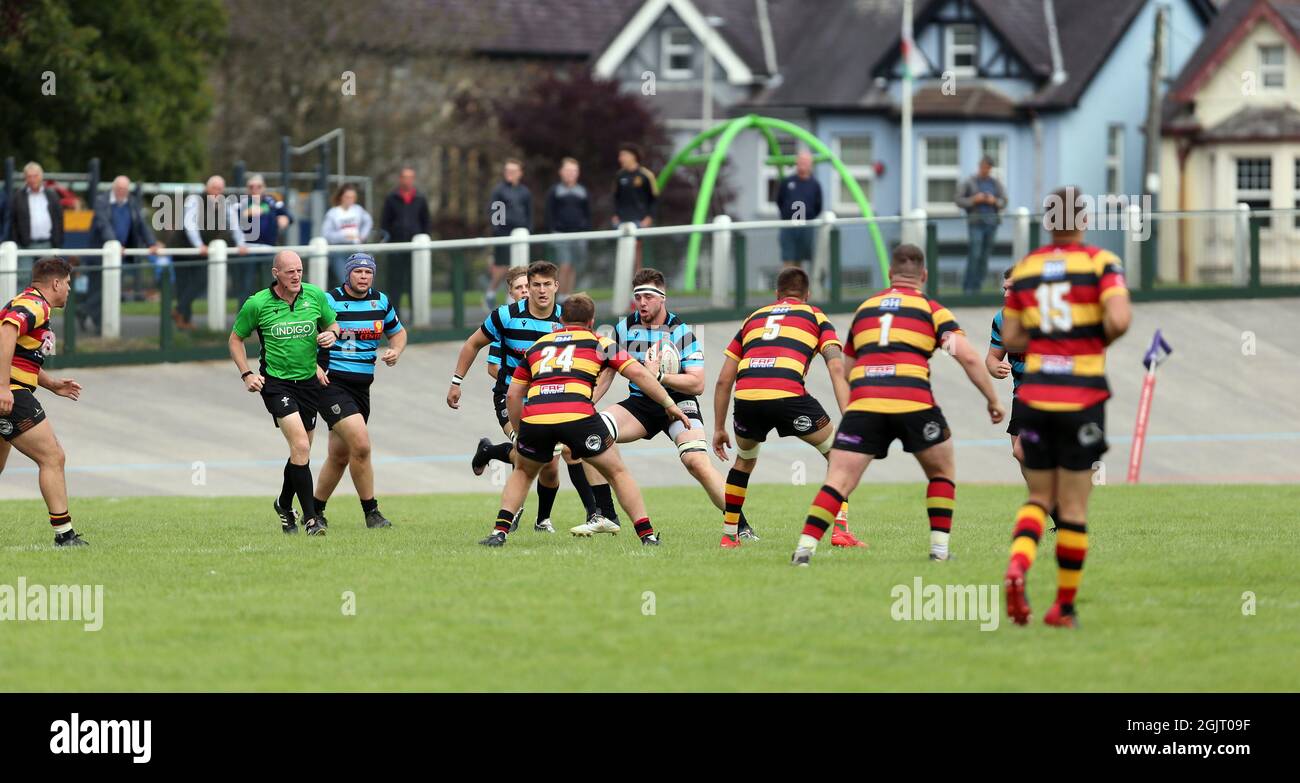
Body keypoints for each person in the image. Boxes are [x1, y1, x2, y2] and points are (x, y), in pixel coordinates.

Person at [790, 243, 1005, 567]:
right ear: (924, 275)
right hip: (913, 403)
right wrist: (992, 399)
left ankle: (804, 551)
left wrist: (855, 409)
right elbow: (969, 356)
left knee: (838, 480)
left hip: (865, 405)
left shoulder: (865, 311)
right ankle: (940, 551)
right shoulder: (932, 310)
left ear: (890, 274)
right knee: (942, 471)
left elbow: (847, 370)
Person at [1001, 186, 1131, 629]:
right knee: (1073, 509)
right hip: (1082, 397)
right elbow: (1119, 320)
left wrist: (1046, 341)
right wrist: (1090, 340)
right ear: (1084, 220)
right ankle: (1063, 607)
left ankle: (1018, 566)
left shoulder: (1027, 268)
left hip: (1034, 396)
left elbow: (1013, 338)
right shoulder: (1100, 264)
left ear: (1047, 222)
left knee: (1038, 496)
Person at [478, 293, 687, 548]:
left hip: (537, 417)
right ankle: (648, 535)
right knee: (617, 472)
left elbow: (513, 394)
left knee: (522, 471)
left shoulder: (537, 346)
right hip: (578, 416)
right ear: (592, 321)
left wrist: (521, 431)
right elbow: (640, 375)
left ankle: (499, 532)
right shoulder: (600, 342)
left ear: (561, 320)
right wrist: (669, 405)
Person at [574, 268, 752, 538]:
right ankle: (606, 515)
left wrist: (658, 375)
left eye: (647, 296)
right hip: (640, 404)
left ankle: (741, 526)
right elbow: (609, 371)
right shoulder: (623, 328)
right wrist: (585, 403)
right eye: (638, 297)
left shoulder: (682, 333)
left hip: (679, 403)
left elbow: (698, 384)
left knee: (696, 463)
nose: (642, 303)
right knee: (587, 433)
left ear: (662, 297)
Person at [712, 267, 867, 549]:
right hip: (788, 397)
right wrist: (851, 415)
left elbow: (724, 380)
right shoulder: (816, 316)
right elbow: (835, 365)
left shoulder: (753, 318)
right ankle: (840, 531)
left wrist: (719, 427)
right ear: (807, 295)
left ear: (776, 294)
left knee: (744, 461)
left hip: (747, 399)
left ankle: (729, 536)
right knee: (839, 457)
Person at [447, 261, 573, 533]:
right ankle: (511, 513)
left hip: (548, 401)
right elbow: (473, 345)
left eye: (545, 285)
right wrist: (456, 382)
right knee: (528, 456)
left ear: (556, 286)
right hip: (510, 398)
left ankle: (542, 519)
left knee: (551, 464)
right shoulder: (505, 317)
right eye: (533, 285)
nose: (538, 291)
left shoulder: (565, 320)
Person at [228, 250, 340, 535]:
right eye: (290, 271)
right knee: (301, 446)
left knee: (300, 452)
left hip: (308, 384)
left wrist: (333, 334)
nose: (296, 276)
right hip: (276, 384)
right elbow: (235, 339)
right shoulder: (258, 303)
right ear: (275, 273)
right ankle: (312, 519)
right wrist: (247, 373)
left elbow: (332, 324)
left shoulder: (314, 296)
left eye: (299, 270)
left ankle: (283, 503)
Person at [312, 252, 405, 530]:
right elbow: (306, 334)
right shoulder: (330, 300)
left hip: (362, 387)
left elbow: (398, 332)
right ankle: (371, 512)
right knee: (362, 446)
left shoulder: (381, 301)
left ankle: (314, 510)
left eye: (368, 273)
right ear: (348, 274)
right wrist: (313, 366)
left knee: (340, 456)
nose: (363, 277)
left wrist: (395, 350)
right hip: (331, 384)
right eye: (358, 272)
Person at [0, 257, 86, 546]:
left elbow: (19, 357)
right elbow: (6, 332)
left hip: (12, 389)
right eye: (69, 284)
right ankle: (65, 535)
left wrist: (51, 384)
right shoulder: (34, 305)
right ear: (56, 283)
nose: (70, 290)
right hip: (11, 394)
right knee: (52, 456)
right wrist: (3, 387)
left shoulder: (31, 303)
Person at [88, 176, 161, 330]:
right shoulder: (102, 201)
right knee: (97, 290)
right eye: (119, 189)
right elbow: (103, 225)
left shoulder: (132, 203)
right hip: (100, 252)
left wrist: (152, 243)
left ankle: (87, 315)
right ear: (113, 188)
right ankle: (97, 322)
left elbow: (141, 225)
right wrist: (114, 243)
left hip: (120, 254)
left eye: (125, 189)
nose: (122, 192)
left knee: (111, 289)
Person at [180, 175, 246, 330]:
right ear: (207, 188)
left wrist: (241, 243)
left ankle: (180, 314)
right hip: (184, 249)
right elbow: (189, 224)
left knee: (200, 281)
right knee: (184, 285)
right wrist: (199, 244)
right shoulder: (194, 200)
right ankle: (181, 322)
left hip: (204, 250)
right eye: (214, 188)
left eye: (220, 189)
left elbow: (234, 224)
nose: (217, 192)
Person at [379, 167, 431, 319]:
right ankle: (395, 316)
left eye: (410, 177)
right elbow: (385, 223)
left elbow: (426, 222)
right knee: (395, 282)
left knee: (414, 282)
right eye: (404, 177)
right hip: (396, 247)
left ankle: (417, 314)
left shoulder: (420, 198)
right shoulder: (391, 198)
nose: (407, 180)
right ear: (400, 179)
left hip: (416, 249)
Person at [233, 174, 293, 304]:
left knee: (269, 283)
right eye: (251, 186)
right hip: (248, 249)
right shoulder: (241, 204)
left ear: (264, 188)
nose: (255, 189)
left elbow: (288, 216)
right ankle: (244, 317)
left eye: (258, 186)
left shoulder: (273, 202)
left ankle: (268, 316)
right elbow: (233, 223)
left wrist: (285, 218)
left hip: (268, 249)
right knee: (246, 284)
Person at [955, 156, 1007, 294]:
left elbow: (1004, 201)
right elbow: (959, 200)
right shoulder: (970, 182)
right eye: (983, 167)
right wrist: (974, 200)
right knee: (975, 255)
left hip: (991, 224)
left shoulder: (995, 183)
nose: (985, 170)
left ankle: (977, 288)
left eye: (987, 167)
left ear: (990, 168)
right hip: (976, 223)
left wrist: (994, 201)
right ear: (979, 167)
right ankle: (968, 289)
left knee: (984, 257)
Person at [485, 159, 532, 310]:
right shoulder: (499, 190)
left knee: (518, 267)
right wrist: (498, 231)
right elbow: (495, 212)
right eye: (508, 171)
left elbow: (529, 213)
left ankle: (510, 299)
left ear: (520, 173)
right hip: (504, 234)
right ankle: (490, 293)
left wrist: (527, 230)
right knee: (502, 266)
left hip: (520, 234)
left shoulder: (525, 192)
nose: (510, 174)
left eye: (513, 171)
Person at [9, 162, 65, 285]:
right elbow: (12, 221)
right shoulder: (18, 196)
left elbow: (59, 219)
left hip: (47, 244)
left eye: (35, 175)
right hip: (25, 245)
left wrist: (57, 242)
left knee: (49, 281)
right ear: (25, 178)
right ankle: (22, 304)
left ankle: (45, 305)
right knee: (22, 279)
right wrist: (17, 242)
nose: (33, 179)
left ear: (41, 176)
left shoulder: (52, 195)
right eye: (29, 176)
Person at [544, 157, 590, 295]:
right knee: (564, 265)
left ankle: (568, 295)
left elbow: (587, 213)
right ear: (561, 172)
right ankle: (561, 297)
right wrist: (553, 229)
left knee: (574, 267)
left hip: (579, 234)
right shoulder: (555, 191)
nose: (570, 173)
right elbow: (549, 213)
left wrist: (586, 229)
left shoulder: (582, 191)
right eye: (568, 170)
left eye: (573, 171)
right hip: (561, 234)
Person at [611, 143, 657, 272]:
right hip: (622, 220)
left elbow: (653, 200)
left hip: (639, 220)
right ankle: (623, 283)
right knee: (623, 252)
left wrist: (649, 217)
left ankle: (635, 284)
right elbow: (616, 198)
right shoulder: (620, 176)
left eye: (623, 155)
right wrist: (615, 215)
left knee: (636, 252)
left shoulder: (645, 175)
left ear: (633, 156)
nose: (621, 158)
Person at [775, 150, 823, 268]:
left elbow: (818, 206)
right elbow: (779, 201)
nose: (803, 164)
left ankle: (799, 286)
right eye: (801, 161)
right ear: (797, 162)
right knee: (788, 259)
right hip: (788, 226)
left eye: (806, 162)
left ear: (810, 164)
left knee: (800, 261)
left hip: (806, 227)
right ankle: (785, 285)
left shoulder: (814, 184)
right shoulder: (787, 182)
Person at [321, 184, 373, 287]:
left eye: (353, 197)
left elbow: (368, 221)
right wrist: (344, 236)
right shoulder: (333, 213)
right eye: (347, 197)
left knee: (360, 279)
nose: (350, 200)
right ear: (341, 197)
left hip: (356, 249)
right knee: (344, 280)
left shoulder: (358, 210)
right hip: (339, 251)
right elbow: (326, 234)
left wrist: (362, 235)